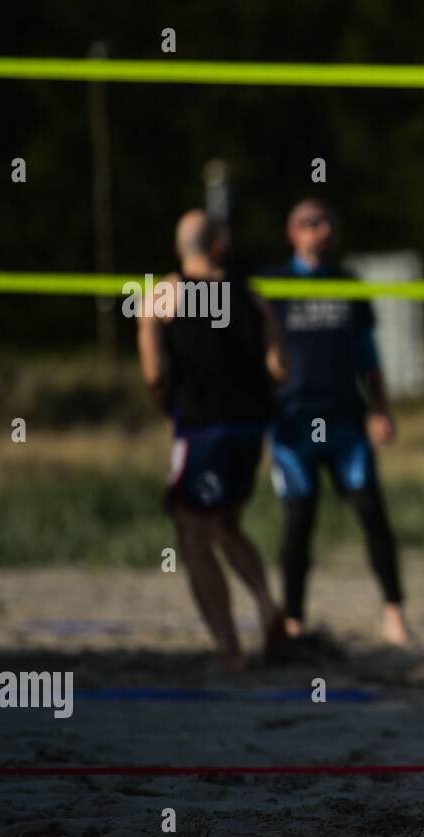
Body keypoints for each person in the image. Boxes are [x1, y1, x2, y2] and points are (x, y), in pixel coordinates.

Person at [136, 209, 289, 671]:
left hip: (202, 429)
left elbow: (154, 372)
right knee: (226, 525)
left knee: (193, 534)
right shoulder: (251, 295)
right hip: (248, 428)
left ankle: (229, 649)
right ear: (219, 245)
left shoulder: (166, 293)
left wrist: (167, 408)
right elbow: (279, 368)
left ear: (180, 247)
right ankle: (266, 605)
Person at [262, 199, 412, 645]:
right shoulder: (271, 286)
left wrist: (381, 409)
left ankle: (394, 613)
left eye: (326, 221)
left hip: (346, 423)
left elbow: (369, 357)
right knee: (299, 521)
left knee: (372, 513)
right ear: (292, 233)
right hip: (292, 426)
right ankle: (292, 621)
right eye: (309, 223)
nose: (319, 230)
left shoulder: (349, 285)